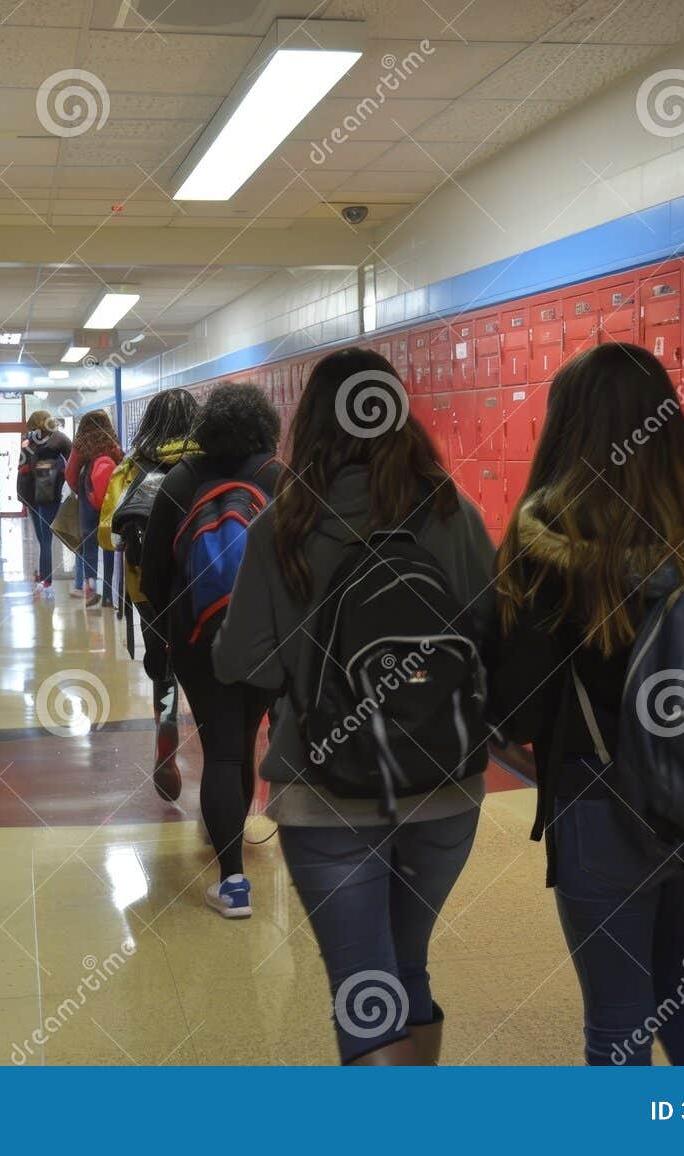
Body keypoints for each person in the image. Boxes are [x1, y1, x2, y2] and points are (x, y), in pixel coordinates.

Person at [489, 343, 684, 1067]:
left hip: (603, 801)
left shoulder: (549, 536)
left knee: (620, 1016)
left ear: (568, 428)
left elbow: (518, 711)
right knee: (679, 992)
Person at [212, 347, 495, 1065]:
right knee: (409, 967)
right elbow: (490, 633)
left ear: (309, 424)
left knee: (366, 987)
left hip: (327, 793)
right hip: (445, 786)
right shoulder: (452, 511)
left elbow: (242, 661)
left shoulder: (285, 525)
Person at [141, 383, 281, 919]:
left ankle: (233, 882)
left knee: (222, 748)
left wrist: (176, 625)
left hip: (202, 639)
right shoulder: (277, 476)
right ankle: (238, 845)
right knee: (247, 740)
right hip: (269, 637)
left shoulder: (180, 480)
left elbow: (153, 574)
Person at [97, 388, 199, 736]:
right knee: (204, 655)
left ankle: (166, 715)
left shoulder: (130, 466)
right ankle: (210, 724)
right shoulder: (212, 461)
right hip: (205, 583)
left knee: (161, 654)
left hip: (147, 586)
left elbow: (107, 536)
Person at [64, 409, 123, 608]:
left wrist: (81, 492)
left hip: (87, 497)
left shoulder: (81, 444)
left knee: (89, 541)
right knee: (108, 542)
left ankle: (91, 587)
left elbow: (70, 473)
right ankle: (107, 595)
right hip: (110, 498)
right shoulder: (111, 443)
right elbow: (123, 466)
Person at [17, 410, 70, 593]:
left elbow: (72, 463)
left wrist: (62, 477)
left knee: (45, 538)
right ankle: (44, 575)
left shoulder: (59, 439)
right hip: (34, 494)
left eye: (32, 426)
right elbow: (22, 465)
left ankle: (46, 578)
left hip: (47, 494)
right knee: (42, 538)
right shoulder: (30, 440)